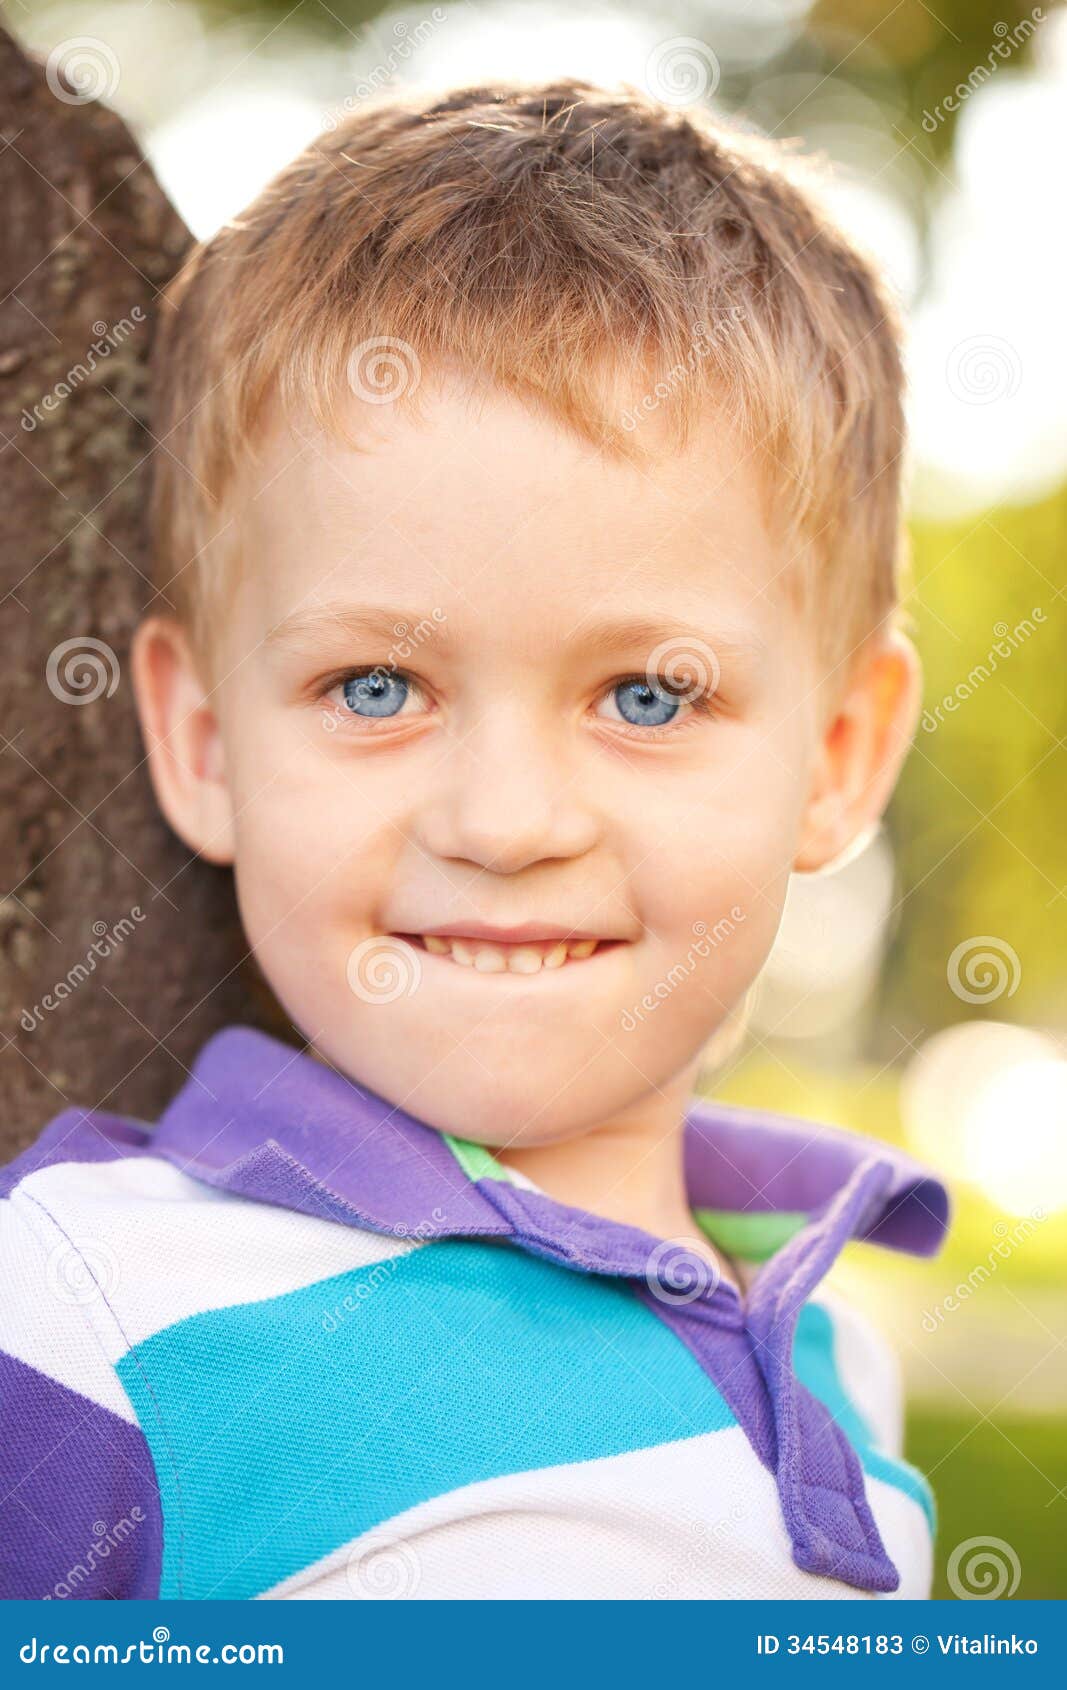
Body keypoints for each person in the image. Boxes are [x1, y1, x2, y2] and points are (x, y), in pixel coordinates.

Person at [0, 80, 948, 1600]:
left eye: (648, 693)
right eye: (376, 686)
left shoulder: (833, 1350)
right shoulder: (85, 1304)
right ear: (203, 742)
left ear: (837, 759)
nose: (505, 822)